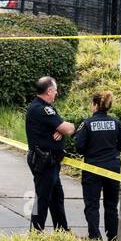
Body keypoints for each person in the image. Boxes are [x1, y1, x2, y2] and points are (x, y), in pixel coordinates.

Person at [24, 76, 75, 231]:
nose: (56, 94)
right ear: (50, 91)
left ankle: (62, 230)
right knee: (43, 198)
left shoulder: (38, 107)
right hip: (44, 160)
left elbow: (59, 128)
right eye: (55, 91)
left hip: (49, 161)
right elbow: (68, 128)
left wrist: (58, 129)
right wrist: (66, 128)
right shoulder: (43, 109)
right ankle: (36, 230)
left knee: (56, 197)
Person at [73, 90, 121, 241]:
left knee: (92, 205)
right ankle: (113, 237)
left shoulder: (87, 123)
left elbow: (79, 147)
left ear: (95, 105)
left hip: (92, 169)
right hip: (113, 168)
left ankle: (95, 237)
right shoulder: (116, 123)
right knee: (111, 205)